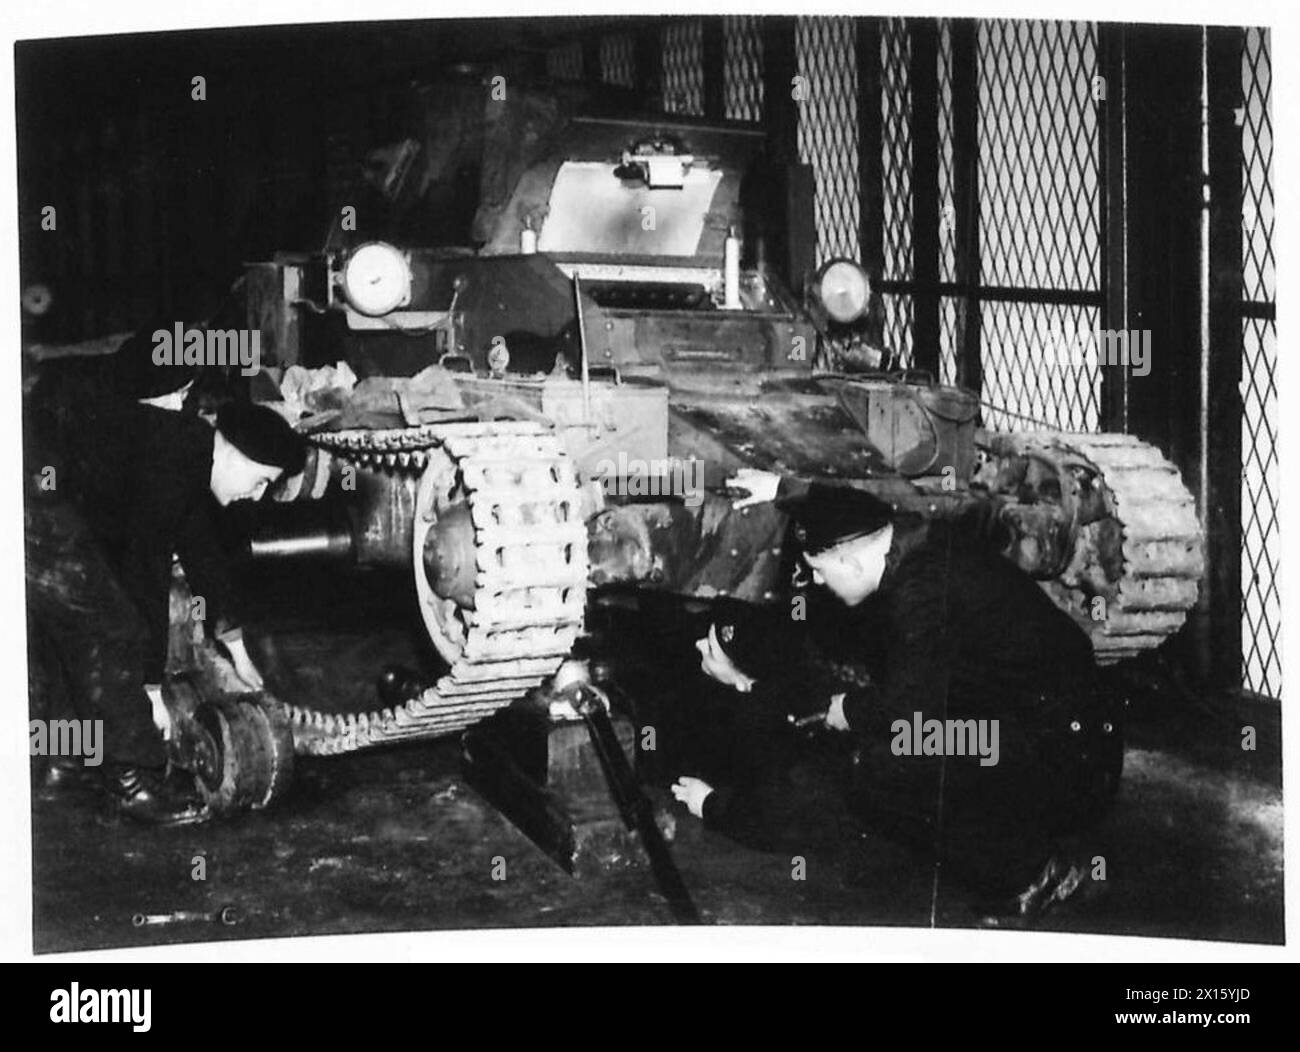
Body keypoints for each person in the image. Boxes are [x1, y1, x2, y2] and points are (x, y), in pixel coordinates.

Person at [718, 469, 1124, 921]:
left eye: (818, 571)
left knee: (884, 764)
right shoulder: (911, 536)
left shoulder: (919, 597)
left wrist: (846, 711)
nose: (814, 583)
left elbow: (907, 713)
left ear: (850, 564)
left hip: (1067, 749)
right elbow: (860, 500)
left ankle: (1035, 872)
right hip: (1051, 711)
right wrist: (783, 488)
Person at [25, 334, 305, 825]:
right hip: (34, 498)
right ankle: (133, 782)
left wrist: (236, 647)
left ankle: (68, 761)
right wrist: (151, 690)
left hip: (43, 491)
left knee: (73, 631)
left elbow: (202, 556)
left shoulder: (193, 457)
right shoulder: (178, 453)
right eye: (261, 481)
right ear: (234, 452)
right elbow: (145, 573)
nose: (258, 497)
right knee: (115, 629)